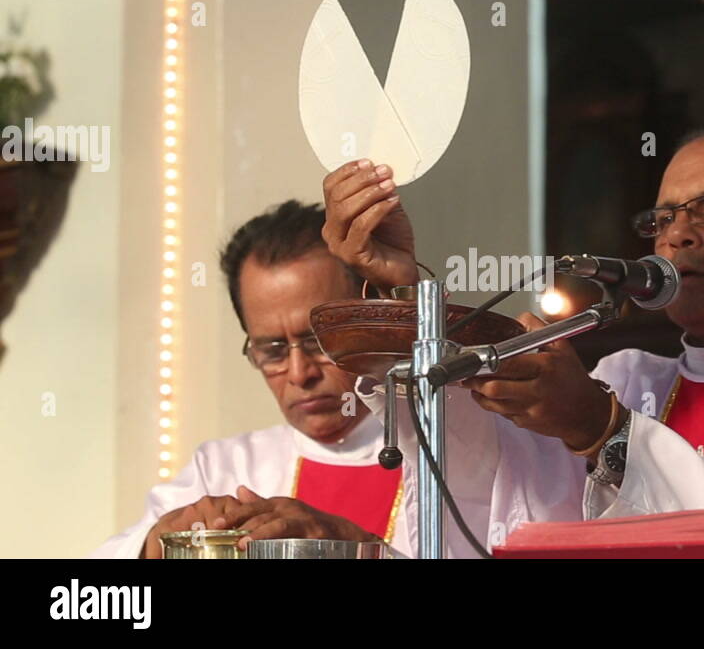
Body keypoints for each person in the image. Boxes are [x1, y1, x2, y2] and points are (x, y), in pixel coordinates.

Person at [324, 128, 704, 525]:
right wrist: (404, 297)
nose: (678, 234)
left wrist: (606, 431)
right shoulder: (627, 379)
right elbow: (493, 496)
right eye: (663, 218)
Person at [91, 200, 586, 559]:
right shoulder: (225, 469)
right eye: (272, 350)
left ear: (360, 325)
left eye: (316, 342)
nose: (300, 374)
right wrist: (154, 545)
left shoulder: (457, 442)